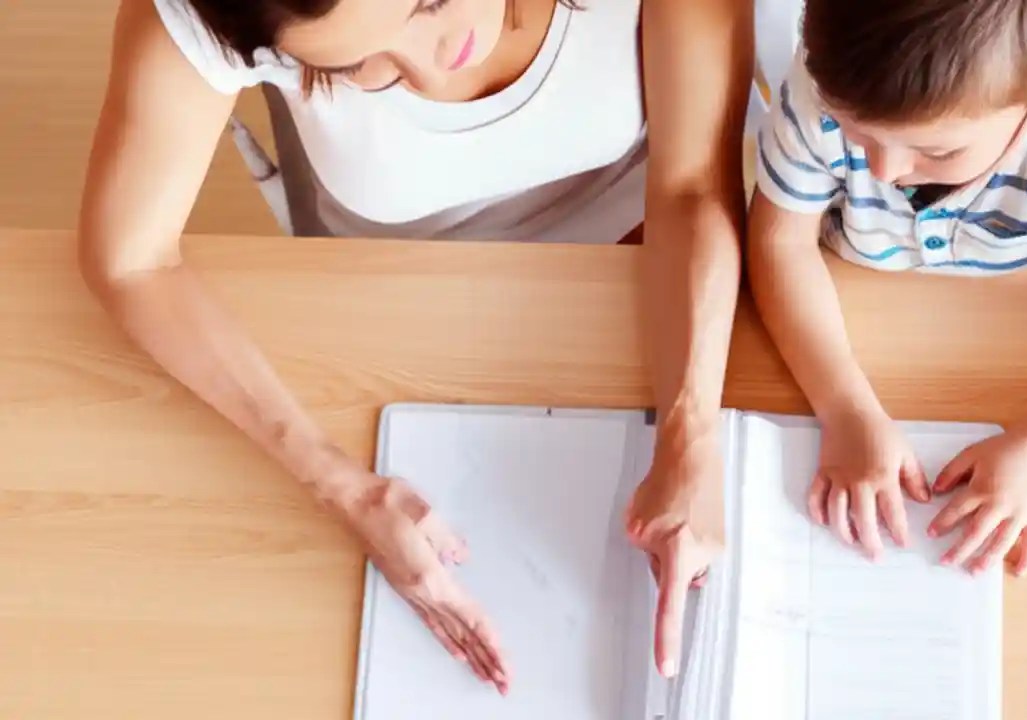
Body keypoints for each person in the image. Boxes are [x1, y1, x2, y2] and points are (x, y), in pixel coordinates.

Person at [79, 0, 749, 693]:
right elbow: (132, 260)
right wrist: (343, 485)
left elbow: (695, 184)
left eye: (429, 3)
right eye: (360, 65)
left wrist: (691, 435)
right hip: (400, 308)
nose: (429, 69)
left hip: (645, 262)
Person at [749, 0, 1027, 576]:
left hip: (1010, 311)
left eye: (937, 151)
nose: (884, 170)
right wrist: (843, 407)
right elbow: (780, 243)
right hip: (855, 289)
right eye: (858, 135)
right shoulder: (825, 84)